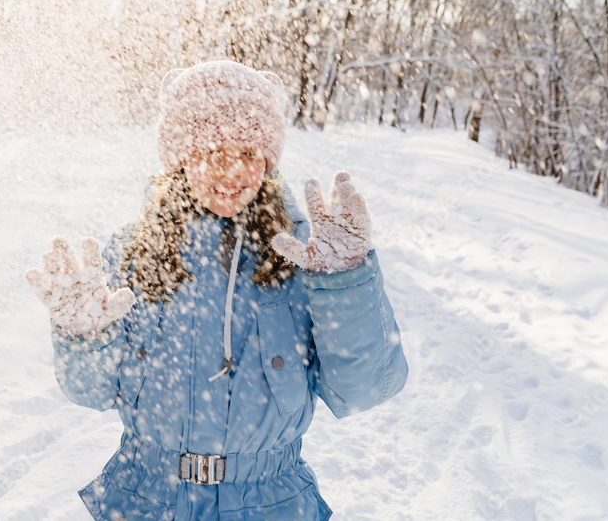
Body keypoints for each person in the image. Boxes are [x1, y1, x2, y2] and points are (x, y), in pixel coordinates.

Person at [25, 60, 408, 520]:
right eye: (213, 152)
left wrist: (346, 280)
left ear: (268, 161)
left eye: (248, 153)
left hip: (269, 504)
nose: (232, 172)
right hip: (147, 501)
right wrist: (82, 335)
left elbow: (363, 391)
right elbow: (92, 391)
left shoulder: (304, 253)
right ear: (182, 157)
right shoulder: (135, 252)